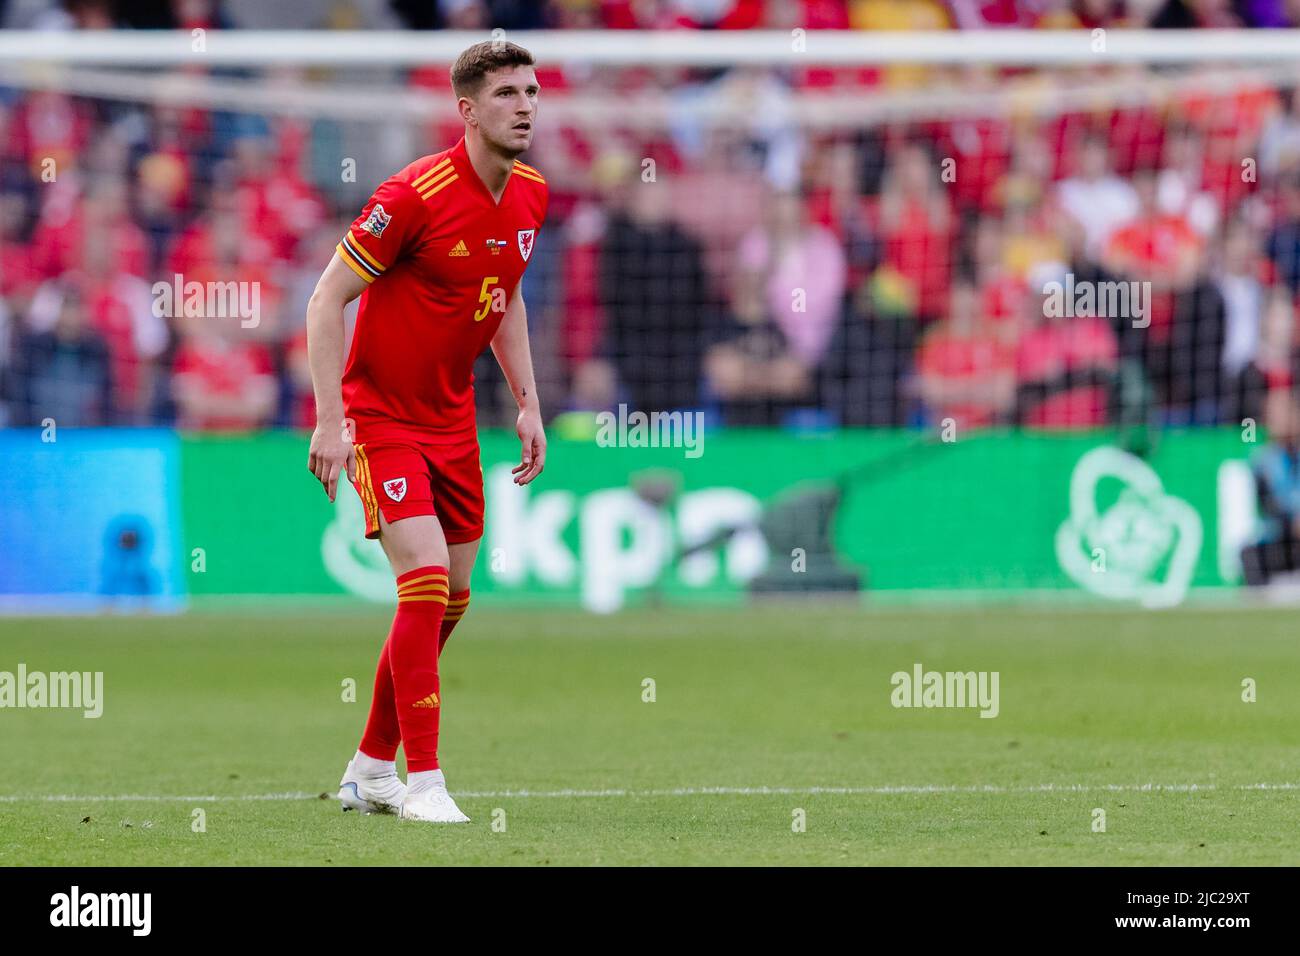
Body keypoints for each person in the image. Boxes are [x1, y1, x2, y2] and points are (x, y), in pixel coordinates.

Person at [304, 41, 548, 824]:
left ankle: (371, 764)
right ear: (468, 110)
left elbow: (502, 295)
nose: (525, 104)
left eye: (532, 90)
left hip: (453, 421)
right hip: (381, 416)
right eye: (507, 92)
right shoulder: (412, 194)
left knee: (451, 600)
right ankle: (425, 783)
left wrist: (529, 401)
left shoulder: (533, 195)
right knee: (426, 582)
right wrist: (332, 420)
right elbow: (324, 300)